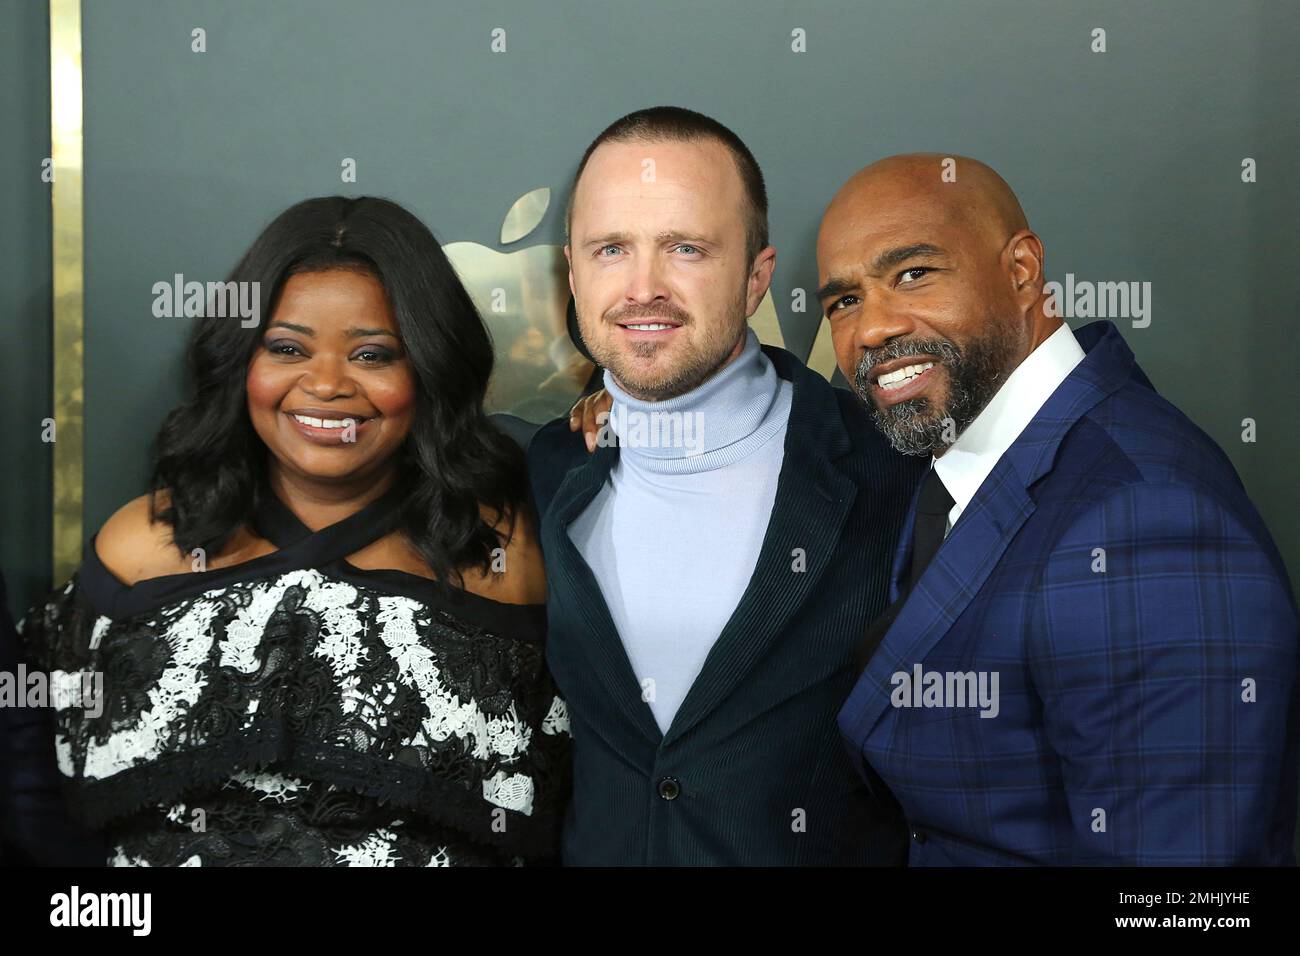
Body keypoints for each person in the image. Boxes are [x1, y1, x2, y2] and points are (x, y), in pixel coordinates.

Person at [15, 196, 570, 866]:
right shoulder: (140, 545)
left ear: (427, 369)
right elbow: (37, 803)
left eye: (372, 354)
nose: (327, 385)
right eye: (286, 348)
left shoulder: (514, 560)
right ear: (240, 360)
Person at [821, 154, 1300, 865]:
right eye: (844, 301)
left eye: (913, 274)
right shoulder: (967, 444)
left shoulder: (1143, 518)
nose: (871, 329)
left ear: (1021, 271)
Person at [528, 106, 925, 865]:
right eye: (611, 249)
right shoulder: (544, 468)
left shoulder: (900, 474)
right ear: (573, 272)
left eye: (686, 248)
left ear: (755, 278)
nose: (643, 288)